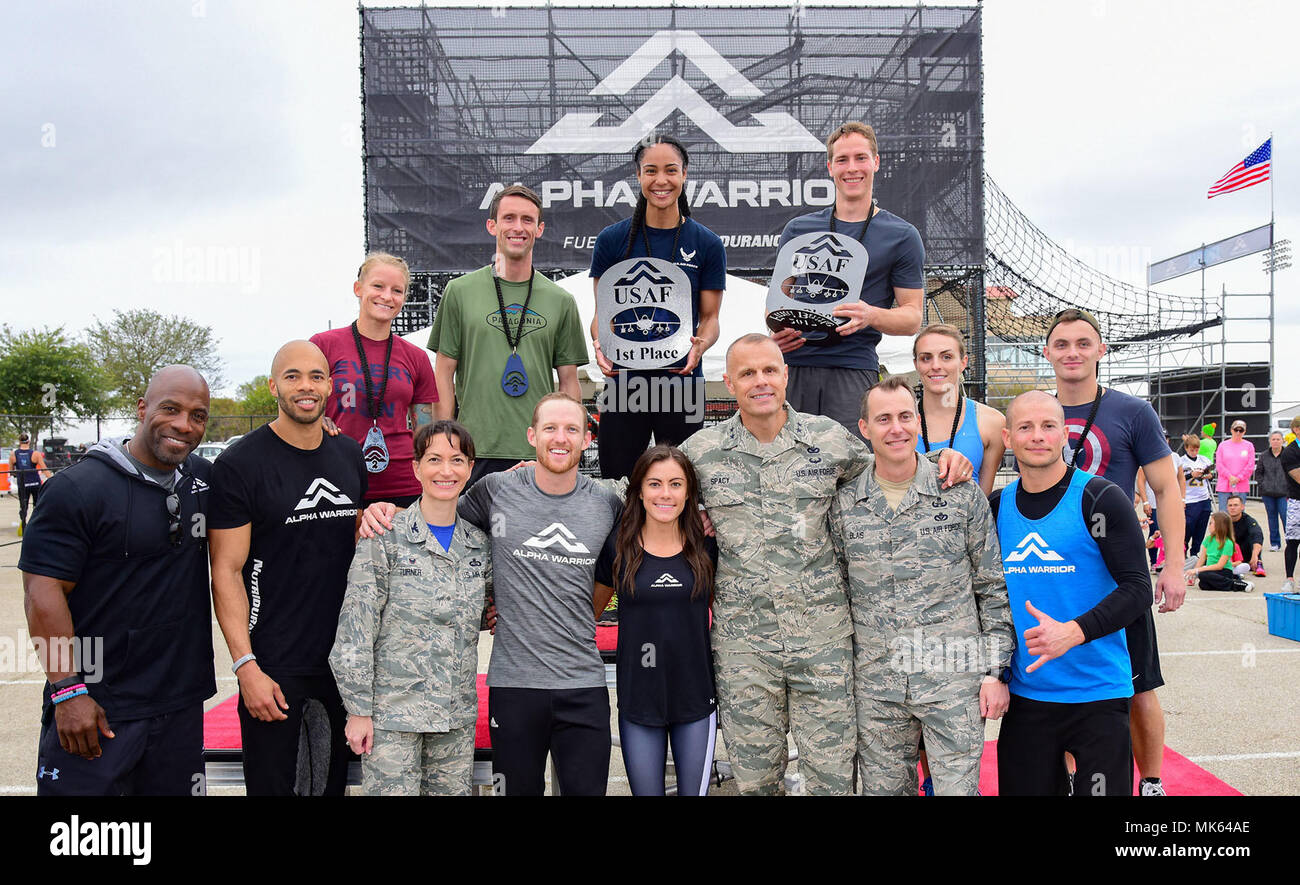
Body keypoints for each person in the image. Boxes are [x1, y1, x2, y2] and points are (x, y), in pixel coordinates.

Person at [679, 333, 971, 795]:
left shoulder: (828, 439)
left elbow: (892, 464)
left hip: (825, 644)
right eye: (748, 373)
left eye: (770, 370)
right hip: (744, 649)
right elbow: (641, 490)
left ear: (786, 375)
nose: (761, 381)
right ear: (728, 382)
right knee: (755, 781)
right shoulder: (700, 453)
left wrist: (943, 458)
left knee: (833, 781)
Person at [363, 392, 624, 795]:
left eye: (572, 429)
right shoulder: (495, 489)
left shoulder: (607, 502)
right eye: (550, 428)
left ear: (587, 439)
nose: (560, 438)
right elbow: (438, 515)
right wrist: (386, 511)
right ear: (531, 435)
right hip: (514, 687)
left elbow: (626, 559)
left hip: (583, 683)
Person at [20, 366, 216, 795]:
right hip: (99, 709)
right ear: (142, 408)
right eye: (171, 409)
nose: (184, 425)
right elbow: (42, 593)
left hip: (179, 705)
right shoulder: (77, 488)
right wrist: (67, 691)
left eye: (198, 415)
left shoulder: (204, 481)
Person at [830, 376, 1013, 796]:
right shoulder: (844, 504)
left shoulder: (960, 493)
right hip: (878, 685)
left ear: (918, 421)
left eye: (905, 417)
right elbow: (837, 589)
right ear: (864, 429)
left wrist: (994, 671)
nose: (896, 428)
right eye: (883, 419)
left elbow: (992, 588)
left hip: (954, 679)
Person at [209, 341, 367, 796]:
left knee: (329, 787)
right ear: (273, 385)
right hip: (274, 665)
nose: (306, 386)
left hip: (341, 664)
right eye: (293, 376)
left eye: (316, 377)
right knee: (278, 787)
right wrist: (246, 667)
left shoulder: (349, 456)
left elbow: (357, 547)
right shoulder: (241, 463)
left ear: (330, 387)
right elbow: (226, 569)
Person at [1043, 308, 1184, 797]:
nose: (1072, 353)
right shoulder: (1035, 410)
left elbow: (1167, 489)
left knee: (1139, 683)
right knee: (1058, 686)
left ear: (1101, 351)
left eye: (1083, 343)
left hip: (1119, 574)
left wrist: (1173, 566)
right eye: (1061, 344)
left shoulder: (1132, 411)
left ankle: (1150, 783)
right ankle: (1064, 779)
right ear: (1046, 353)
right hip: (1054, 573)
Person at [992, 391, 1152, 796]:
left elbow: (1137, 589)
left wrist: (1074, 631)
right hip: (1027, 697)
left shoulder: (1100, 498)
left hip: (1097, 695)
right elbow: (981, 599)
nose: (1037, 436)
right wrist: (991, 672)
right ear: (1008, 438)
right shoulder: (995, 508)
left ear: (1065, 433)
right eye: (1025, 427)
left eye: (1048, 426)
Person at [329, 420, 491, 795]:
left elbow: (485, 611)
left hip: (454, 716)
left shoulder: (478, 546)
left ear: (470, 468)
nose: (445, 470)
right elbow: (356, 628)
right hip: (392, 718)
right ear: (416, 467)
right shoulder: (385, 535)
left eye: (457, 459)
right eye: (434, 459)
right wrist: (357, 711)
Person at [769, 121, 924, 439]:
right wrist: (777, 334)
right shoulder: (798, 230)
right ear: (829, 167)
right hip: (794, 366)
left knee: (852, 474)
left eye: (860, 158)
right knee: (788, 470)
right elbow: (777, 304)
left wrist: (871, 315)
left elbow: (912, 317)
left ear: (876, 162)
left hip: (853, 367)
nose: (851, 168)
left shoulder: (902, 235)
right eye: (842, 160)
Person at [430, 185, 587, 487]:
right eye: (509, 218)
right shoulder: (459, 292)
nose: (518, 227)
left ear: (539, 229)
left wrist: (567, 444)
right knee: (473, 534)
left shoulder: (561, 300)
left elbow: (569, 381)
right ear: (492, 226)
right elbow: (444, 372)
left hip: (538, 452)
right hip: (473, 450)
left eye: (527, 220)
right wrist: (445, 439)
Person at [589, 135, 725, 479]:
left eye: (671, 170)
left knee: (684, 485)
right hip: (625, 381)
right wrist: (599, 344)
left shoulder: (706, 243)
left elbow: (710, 319)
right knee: (618, 485)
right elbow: (601, 316)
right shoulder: (611, 239)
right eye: (651, 170)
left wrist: (702, 345)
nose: (661, 180)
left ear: (684, 174)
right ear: (638, 176)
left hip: (681, 381)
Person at [593, 445, 718, 796]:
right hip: (638, 701)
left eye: (676, 484)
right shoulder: (617, 547)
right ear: (638, 491)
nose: (665, 493)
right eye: (655, 484)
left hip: (695, 700)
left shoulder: (706, 548)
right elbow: (588, 614)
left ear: (689, 492)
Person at [310, 252, 438, 508]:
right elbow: (301, 400)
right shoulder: (323, 345)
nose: (387, 296)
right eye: (378, 286)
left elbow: (424, 429)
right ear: (358, 289)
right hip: (337, 477)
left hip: (403, 483)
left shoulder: (416, 357)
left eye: (397, 290)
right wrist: (316, 418)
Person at [912, 323, 1006, 494]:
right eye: (926, 358)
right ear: (916, 364)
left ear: (963, 363)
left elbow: (983, 497)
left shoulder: (991, 423)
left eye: (946, 357)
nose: (936, 366)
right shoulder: (899, 423)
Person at [1185, 511, 1254, 592]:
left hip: (1224, 571)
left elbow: (1219, 566)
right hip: (1211, 571)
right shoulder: (1208, 540)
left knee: (1204, 575)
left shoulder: (1228, 543)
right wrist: (1193, 574)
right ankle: (1231, 582)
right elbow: (1202, 559)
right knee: (1203, 584)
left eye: (1211, 523)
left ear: (1219, 526)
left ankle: (1237, 584)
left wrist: (1197, 570)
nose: (1209, 526)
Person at [1178, 433, 1214, 558]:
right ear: (1186, 448)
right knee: (1188, 526)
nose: (1194, 452)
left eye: (1196, 449)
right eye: (1191, 449)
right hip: (1190, 499)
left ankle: (1196, 553)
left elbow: (1211, 473)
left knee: (1201, 528)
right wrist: (1190, 475)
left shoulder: (1203, 460)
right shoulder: (1181, 461)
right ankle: (1183, 550)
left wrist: (1209, 476)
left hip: (1203, 498)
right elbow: (1177, 478)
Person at [11, 432, 50, 534]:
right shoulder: (35, 454)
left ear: (19, 442)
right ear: (28, 441)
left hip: (23, 484)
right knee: (38, 506)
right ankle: (37, 528)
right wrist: (52, 480)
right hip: (35, 483)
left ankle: (24, 526)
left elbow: (11, 471)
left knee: (23, 506)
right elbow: (44, 469)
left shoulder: (13, 454)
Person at [1257, 431, 1290, 552]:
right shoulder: (1264, 455)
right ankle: (1275, 543)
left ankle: (1290, 542)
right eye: (1273, 439)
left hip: (1284, 493)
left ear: (1283, 441)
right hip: (1268, 493)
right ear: (1270, 441)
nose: (1275, 441)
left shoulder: (1288, 454)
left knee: (1286, 517)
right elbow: (1259, 472)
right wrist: (1262, 485)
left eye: (1278, 439)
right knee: (1272, 518)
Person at [1215, 420, 1255, 512]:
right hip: (1224, 485)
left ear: (1244, 432)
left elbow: (1250, 465)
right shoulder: (1222, 445)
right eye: (1236, 430)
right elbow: (1219, 464)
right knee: (1224, 514)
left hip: (1241, 485)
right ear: (1231, 430)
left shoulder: (1249, 446)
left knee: (1239, 514)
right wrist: (1230, 477)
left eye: (1241, 430)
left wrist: (1239, 478)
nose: (1238, 432)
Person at [1280, 417, 1300, 594]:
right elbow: (1299, 477)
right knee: (1293, 541)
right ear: (1296, 430)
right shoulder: (1290, 453)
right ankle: (1289, 578)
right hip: (1297, 502)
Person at [1224, 495, 1265, 579]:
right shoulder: (1223, 521)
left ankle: (1257, 563)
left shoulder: (1249, 520)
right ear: (1227, 508)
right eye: (1230, 505)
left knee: (1253, 537)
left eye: (1236, 505)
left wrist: (1255, 555)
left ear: (1242, 507)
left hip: (1246, 555)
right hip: (1228, 555)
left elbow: (1257, 536)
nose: (1232, 508)